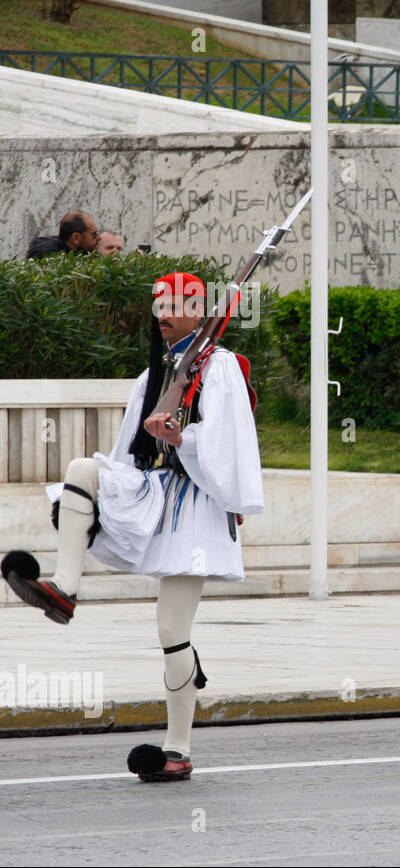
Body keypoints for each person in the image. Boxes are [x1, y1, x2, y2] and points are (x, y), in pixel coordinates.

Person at [2, 272, 263, 782]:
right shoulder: (153, 374)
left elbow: (229, 448)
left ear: (198, 309)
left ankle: (177, 751)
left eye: (174, 306)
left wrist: (182, 437)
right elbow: (126, 457)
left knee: (172, 631)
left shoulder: (222, 368)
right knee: (82, 471)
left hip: (199, 508)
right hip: (159, 494)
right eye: (158, 306)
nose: (162, 315)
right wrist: (90, 502)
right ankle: (64, 591)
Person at [26, 210, 100, 258]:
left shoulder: (86, 252)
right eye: (94, 234)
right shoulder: (46, 253)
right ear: (76, 238)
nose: (99, 238)